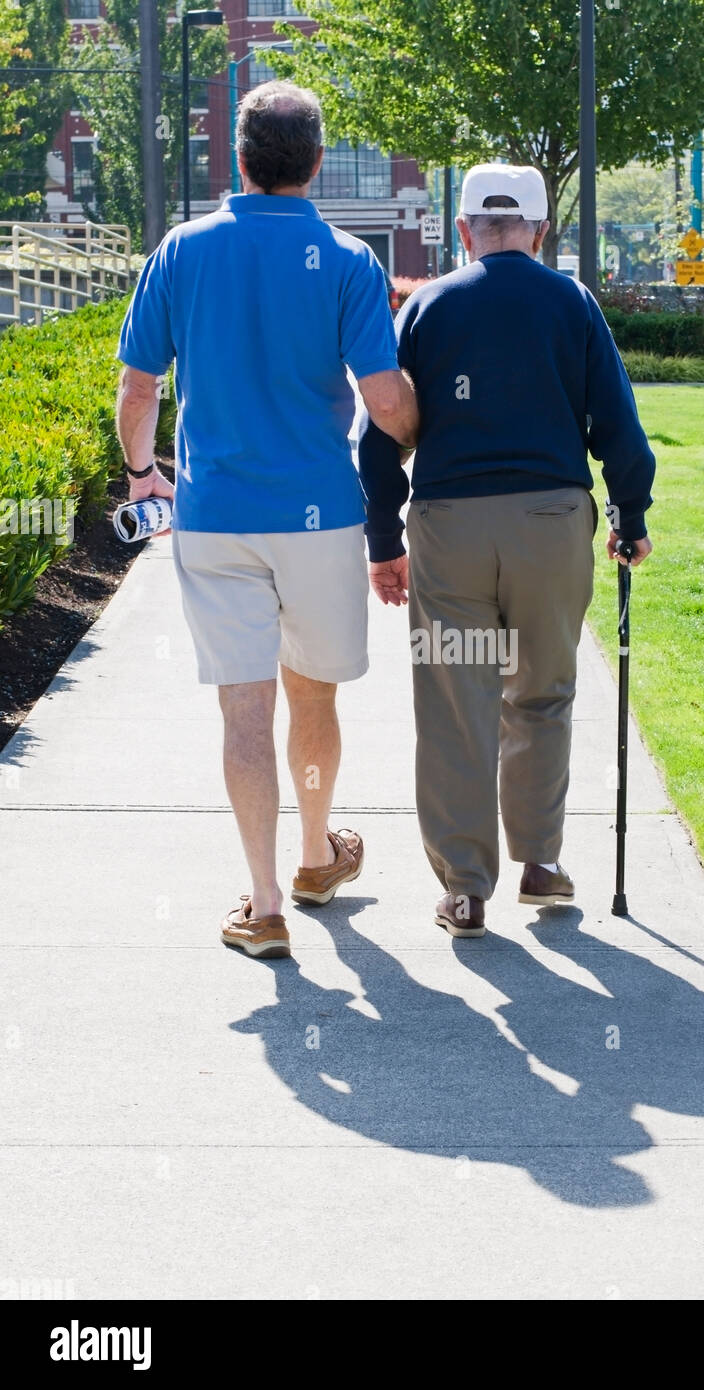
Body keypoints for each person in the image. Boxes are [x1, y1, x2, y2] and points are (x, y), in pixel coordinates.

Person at [116, 81, 418, 960]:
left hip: (215, 515)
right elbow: (386, 397)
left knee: (242, 710)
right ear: (317, 162)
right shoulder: (351, 261)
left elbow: (139, 388)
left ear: (236, 159)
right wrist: (425, 439)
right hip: (321, 519)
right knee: (311, 693)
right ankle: (317, 859)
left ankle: (262, 903)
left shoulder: (181, 250)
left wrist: (144, 477)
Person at [358, 163, 655, 938]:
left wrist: (384, 538)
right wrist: (630, 512)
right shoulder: (574, 304)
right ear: (540, 229)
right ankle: (540, 863)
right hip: (551, 521)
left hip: (450, 525)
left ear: (463, 231)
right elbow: (619, 426)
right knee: (542, 692)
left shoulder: (425, 306)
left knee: (456, 706)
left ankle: (464, 888)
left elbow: (379, 434)